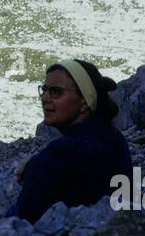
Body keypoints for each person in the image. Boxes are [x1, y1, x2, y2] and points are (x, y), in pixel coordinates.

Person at [9, 59, 133, 223]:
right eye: (44, 89)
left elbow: (23, 220)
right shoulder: (115, 138)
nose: (45, 98)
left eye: (55, 91)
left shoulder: (60, 152)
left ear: (84, 102)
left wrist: (34, 168)